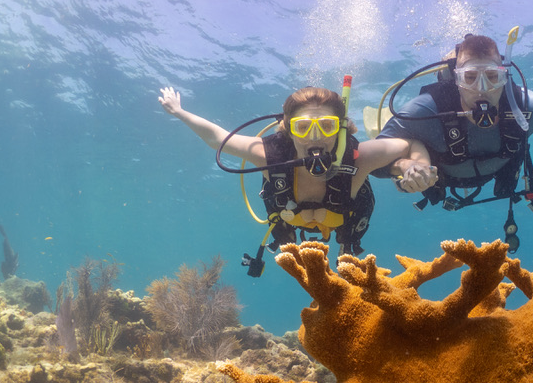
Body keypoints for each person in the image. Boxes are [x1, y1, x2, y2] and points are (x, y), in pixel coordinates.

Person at [159, 85, 435, 274]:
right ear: (288, 130)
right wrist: (179, 111)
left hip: (345, 217)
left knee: (347, 263)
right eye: (303, 127)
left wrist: (417, 166)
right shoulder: (268, 155)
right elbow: (216, 138)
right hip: (289, 219)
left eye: (326, 126)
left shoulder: (360, 156)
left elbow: (409, 143)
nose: (314, 137)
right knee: (288, 254)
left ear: (340, 129)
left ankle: (345, 248)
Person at [375, 34, 533, 248]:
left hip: (497, 173)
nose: (482, 89)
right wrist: (404, 165)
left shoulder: (523, 107)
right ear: (456, 80)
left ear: (504, 78)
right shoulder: (424, 111)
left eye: (492, 76)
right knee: (398, 144)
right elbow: (374, 160)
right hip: (442, 177)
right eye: (469, 77)